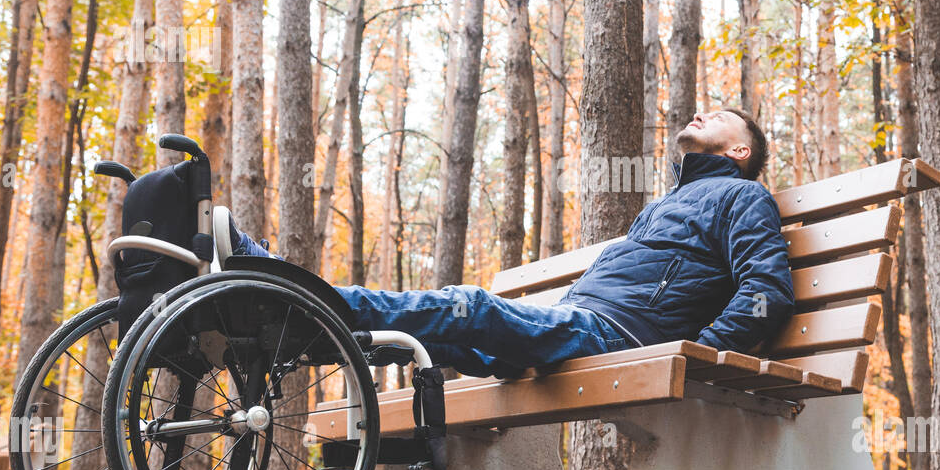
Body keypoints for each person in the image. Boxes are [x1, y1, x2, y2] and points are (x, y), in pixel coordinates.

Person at [230, 108, 794, 378]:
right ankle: (288, 327)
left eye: (717, 116)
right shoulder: (661, 206)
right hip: (576, 322)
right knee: (414, 339)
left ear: (739, 152)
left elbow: (766, 290)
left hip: (616, 336)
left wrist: (697, 353)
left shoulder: (743, 198)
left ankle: (283, 287)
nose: (699, 112)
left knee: (466, 307)